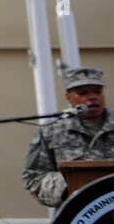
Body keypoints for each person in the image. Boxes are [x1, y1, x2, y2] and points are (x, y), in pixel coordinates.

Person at [22, 66, 114, 207]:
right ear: (69, 98)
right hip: (76, 218)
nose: (92, 97)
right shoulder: (52, 130)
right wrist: (67, 188)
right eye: (83, 93)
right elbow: (33, 177)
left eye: (97, 91)